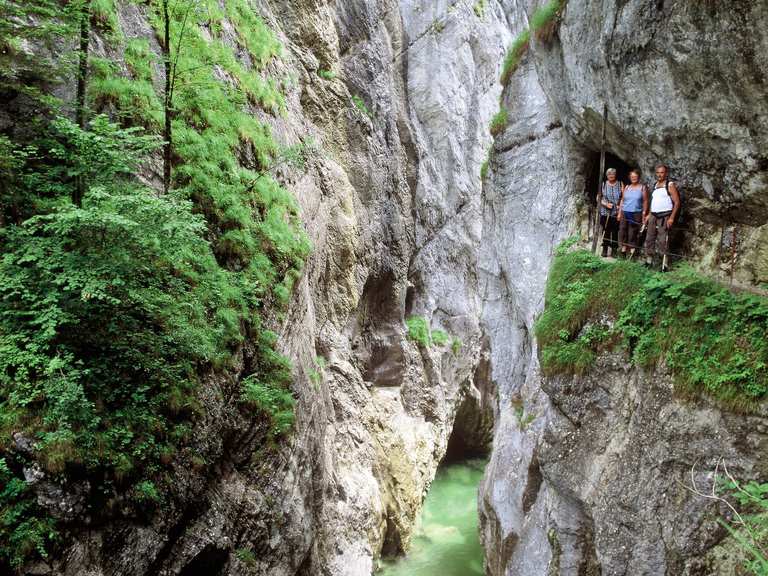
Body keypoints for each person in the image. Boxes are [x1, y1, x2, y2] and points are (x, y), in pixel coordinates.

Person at [645, 163, 680, 271]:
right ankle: (649, 261)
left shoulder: (669, 185)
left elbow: (677, 202)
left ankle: (664, 264)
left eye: (662, 172)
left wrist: (672, 218)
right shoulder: (655, 185)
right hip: (653, 215)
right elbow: (653, 201)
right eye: (658, 173)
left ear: (666, 173)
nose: (660, 175)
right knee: (649, 238)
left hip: (664, 216)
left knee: (662, 240)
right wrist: (649, 214)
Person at [617, 168, 648, 259]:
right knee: (622, 231)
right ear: (629, 177)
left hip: (636, 213)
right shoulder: (627, 187)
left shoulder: (642, 188)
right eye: (632, 177)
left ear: (638, 177)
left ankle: (632, 254)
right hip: (625, 212)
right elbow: (622, 200)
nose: (633, 178)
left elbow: (645, 201)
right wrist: (619, 213)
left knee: (632, 233)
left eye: (635, 176)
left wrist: (644, 213)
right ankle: (623, 251)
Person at [599, 168, 622, 257]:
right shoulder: (603, 184)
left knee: (615, 231)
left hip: (616, 212)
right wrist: (606, 204)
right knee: (606, 230)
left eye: (613, 174)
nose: (611, 176)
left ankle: (614, 250)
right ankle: (605, 248)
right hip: (605, 212)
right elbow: (598, 197)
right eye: (609, 174)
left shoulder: (620, 184)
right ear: (607, 176)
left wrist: (620, 208)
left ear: (615, 175)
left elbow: (623, 198)